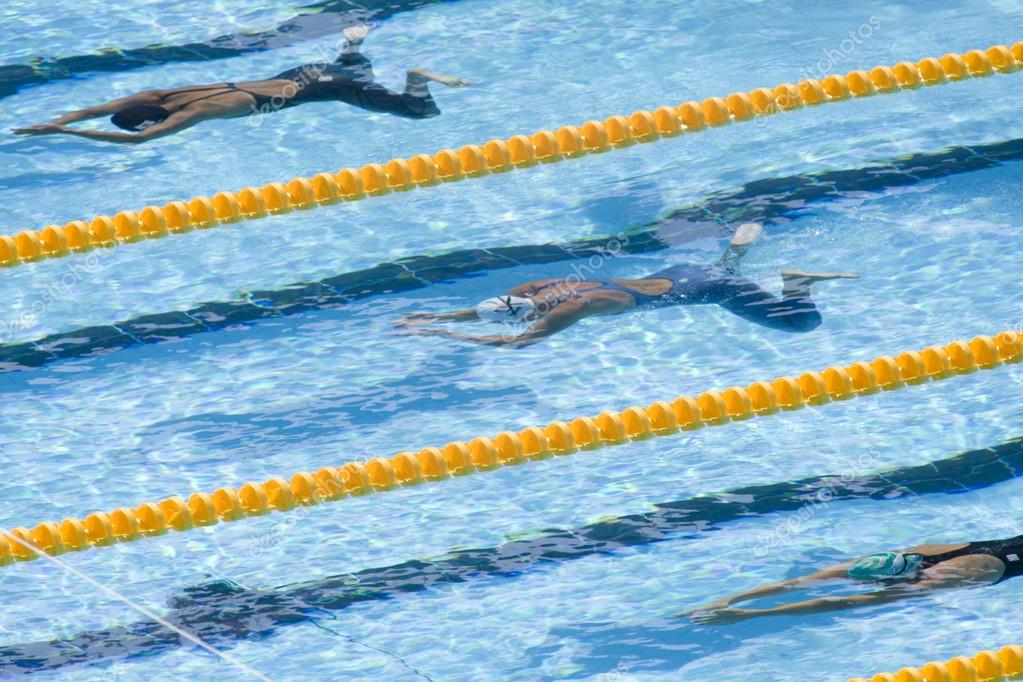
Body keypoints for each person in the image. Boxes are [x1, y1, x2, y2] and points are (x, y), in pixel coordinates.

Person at [396, 223, 856, 347]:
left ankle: (796, 285)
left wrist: (445, 334)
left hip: (708, 291)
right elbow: (495, 310)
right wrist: (436, 315)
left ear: (532, 310)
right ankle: (733, 255)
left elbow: (511, 343)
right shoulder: (539, 286)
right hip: (682, 273)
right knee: (718, 278)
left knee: (800, 326)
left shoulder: (569, 311)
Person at [12, 25, 467, 144]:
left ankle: (415, 77)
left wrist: (62, 131)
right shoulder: (159, 96)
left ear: (148, 121)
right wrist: (53, 121)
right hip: (299, 75)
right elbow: (96, 110)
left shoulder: (190, 113)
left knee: (419, 113)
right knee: (351, 77)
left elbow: (133, 143)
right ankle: (350, 49)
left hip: (315, 89)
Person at [686, 534, 1023, 624]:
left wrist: (753, 615)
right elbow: (807, 582)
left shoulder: (943, 577)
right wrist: (732, 599)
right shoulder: (908, 555)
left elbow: (836, 602)